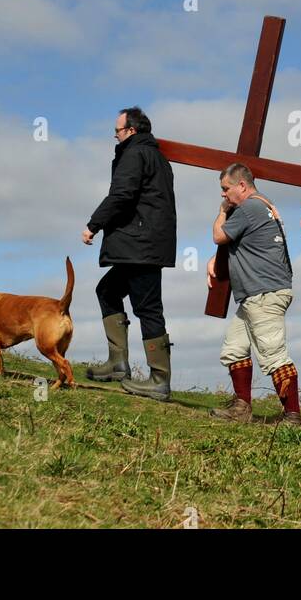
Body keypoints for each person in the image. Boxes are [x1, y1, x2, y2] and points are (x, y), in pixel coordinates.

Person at [82, 107, 177, 401]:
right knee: (108, 290)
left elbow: (122, 195)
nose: (116, 136)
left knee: (148, 308)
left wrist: (93, 224)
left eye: (118, 131)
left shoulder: (134, 154)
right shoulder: (158, 157)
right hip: (142, 243)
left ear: (131, 131)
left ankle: (159, 380)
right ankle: (118, 364)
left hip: (140, 245)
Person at [206, 163, 301, 424]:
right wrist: (214, 262)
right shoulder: (264, 205)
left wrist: (221, 212)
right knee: (234, 348)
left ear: (242, 186)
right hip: (256, 293)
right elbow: (242, 245)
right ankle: (241, 408)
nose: (224, 195)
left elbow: (218, 236)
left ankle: (292, 415)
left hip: (263, 292)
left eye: (226, 189)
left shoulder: (247, 208)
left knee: (273, 354)